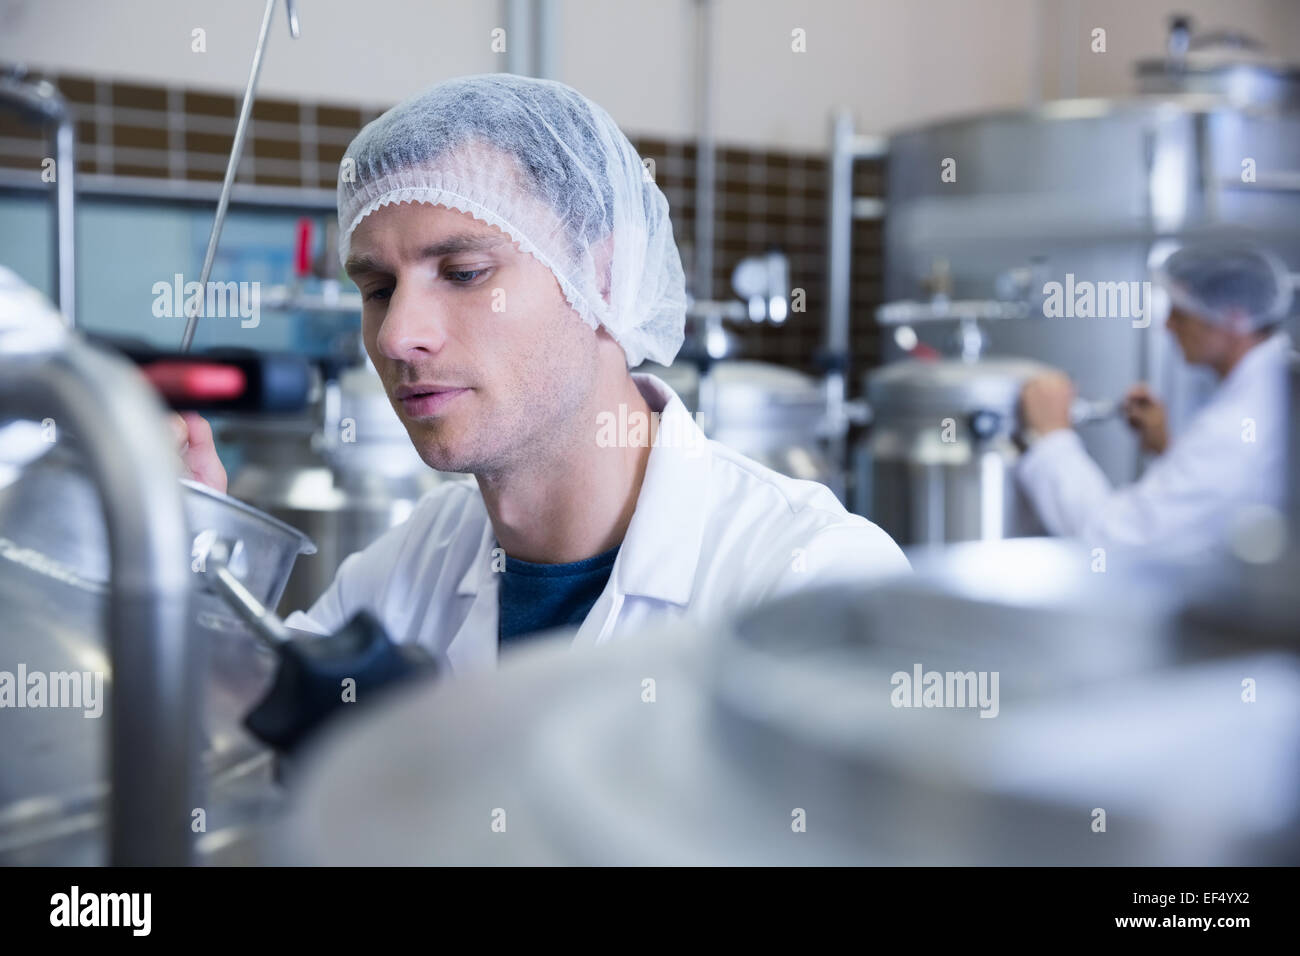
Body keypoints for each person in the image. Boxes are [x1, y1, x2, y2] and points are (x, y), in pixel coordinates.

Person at [176, 74, 909, 674]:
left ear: (605, 274)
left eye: (464, 273)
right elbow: (236, 747)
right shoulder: (411, 566)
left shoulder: (813, 580)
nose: (398, 334)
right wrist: (173, 550)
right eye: (377, 290)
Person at [1017, 241, 1294, 558]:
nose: (1166, 326)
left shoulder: (1235, 427)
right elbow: (1213, 510)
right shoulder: (1268, 387)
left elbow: (1112, 540)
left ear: (1232, 318)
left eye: (1181, 313)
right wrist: (1167, 452)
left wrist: (1053, 438)